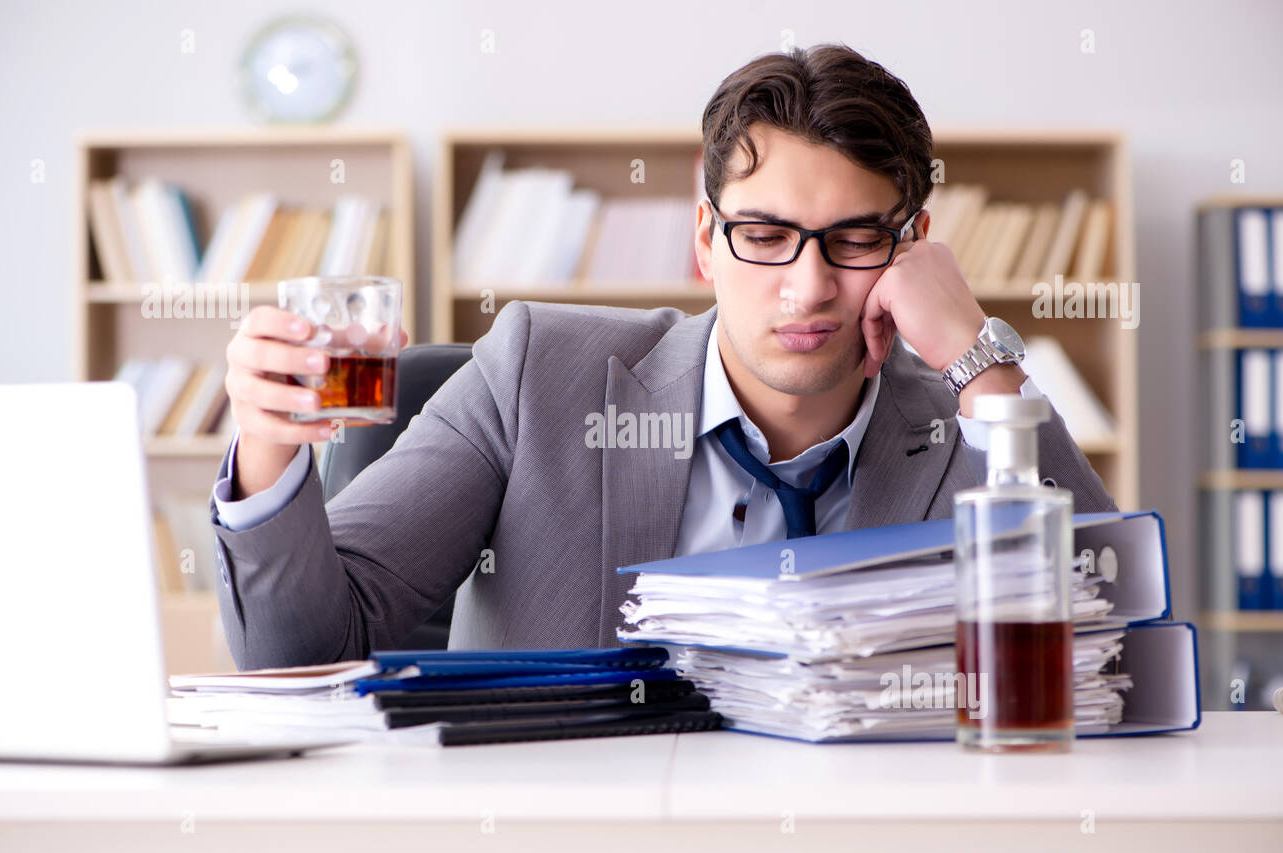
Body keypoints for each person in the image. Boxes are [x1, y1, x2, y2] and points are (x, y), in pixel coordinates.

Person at [210, 42, 1116, 669]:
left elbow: (1109, 638)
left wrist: (977, 354)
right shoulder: (538, 374)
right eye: (764, 234)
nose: (806, 288)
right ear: (704, 242)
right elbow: (306, 651)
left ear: (914, 245)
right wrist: (266, 450)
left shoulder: (970, 419)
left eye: (854, 239)